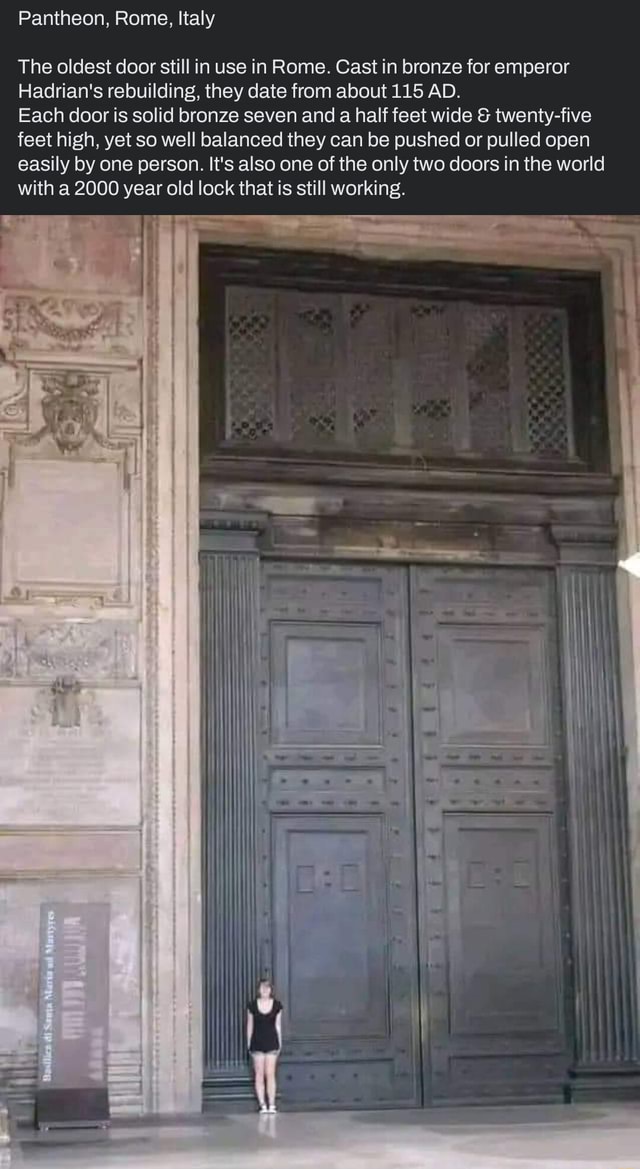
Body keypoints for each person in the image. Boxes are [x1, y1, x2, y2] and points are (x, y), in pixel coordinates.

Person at [246, 979, 283, 1114]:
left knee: (270, 1074)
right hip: (257, 1042)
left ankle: (272, 1104)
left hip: (272, 1041)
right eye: (262, 988)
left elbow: (278, 1026)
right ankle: (262, 1104)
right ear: (259, 990)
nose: (265, 991)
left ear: (271, 990)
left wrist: (280, 1043)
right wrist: (248, 1043)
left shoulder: (277, 1006)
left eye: (267, 988)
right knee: (259, 1074)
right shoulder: (252, 1006)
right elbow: (250, 1026)